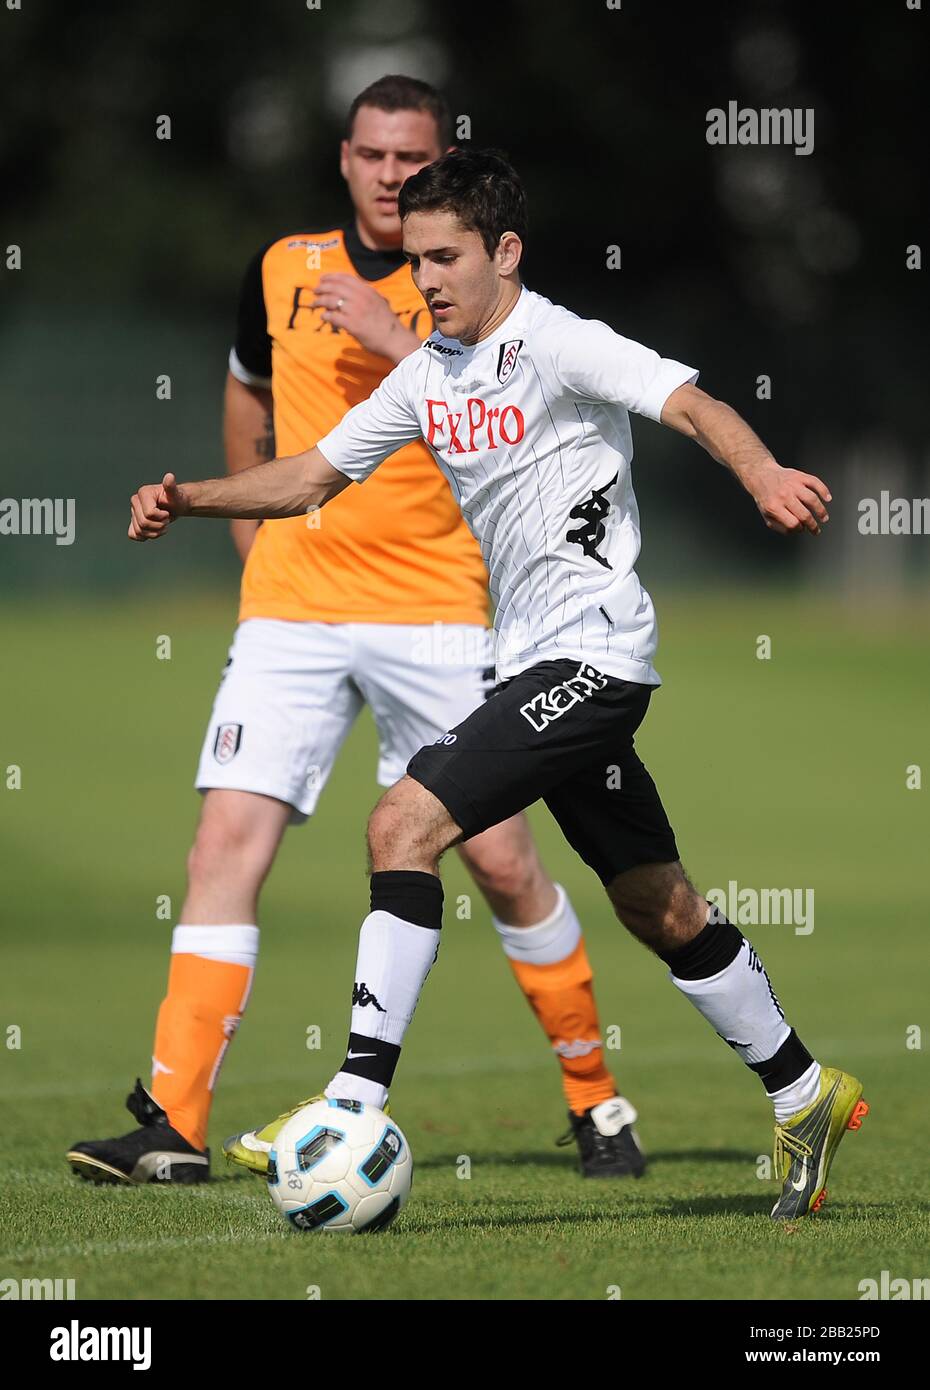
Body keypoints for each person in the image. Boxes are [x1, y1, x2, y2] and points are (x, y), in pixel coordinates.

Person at [124, 147, 868, 1220]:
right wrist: (189, 498)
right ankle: (806, 1090)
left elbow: (693, 403)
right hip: (533, 667)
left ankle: (348, 1102)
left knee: (400, 825)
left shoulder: (558, 342)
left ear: (504, 253)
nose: (424, 279)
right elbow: (309, 477)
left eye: (446, 257)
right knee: (660, 906)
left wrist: (760, 471)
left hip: (595, 658)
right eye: (416, 259)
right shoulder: (429, 374)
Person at [66, 83, 644, 1192]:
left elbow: (503, 407)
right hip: (293, 606)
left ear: (443, 167)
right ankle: (173, 1126)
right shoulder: (280, 267)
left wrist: (391, 337)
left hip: (438, 608)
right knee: (222, 848)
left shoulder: (471, 284)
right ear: (344, 159)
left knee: (505, 860)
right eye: (373, 154)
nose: (389, 174)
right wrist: (243, 541)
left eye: (410, 156)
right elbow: (247, 400)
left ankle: (593, 1100)